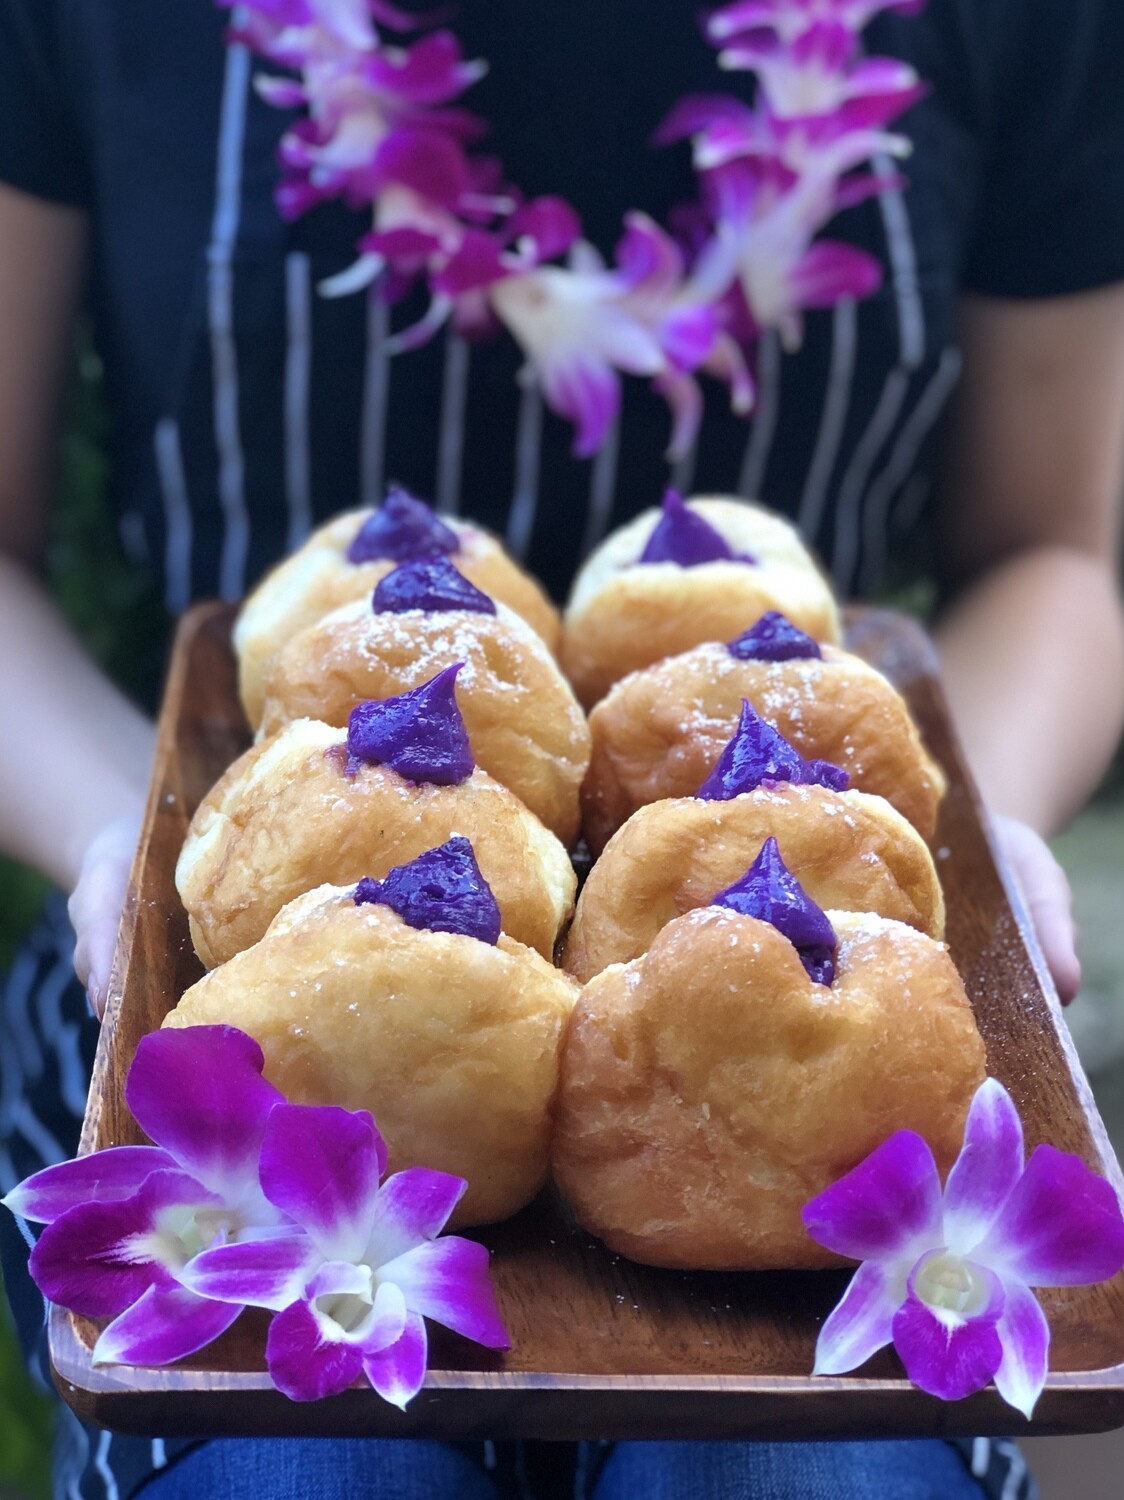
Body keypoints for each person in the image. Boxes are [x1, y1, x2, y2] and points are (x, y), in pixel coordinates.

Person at [1, 1, 1123, 1496]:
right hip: (208, 1044)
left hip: (838, 1057)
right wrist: (138, 842)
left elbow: (1055, 550)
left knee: (800, 1477)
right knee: (309, 1475)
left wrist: (965, 835)